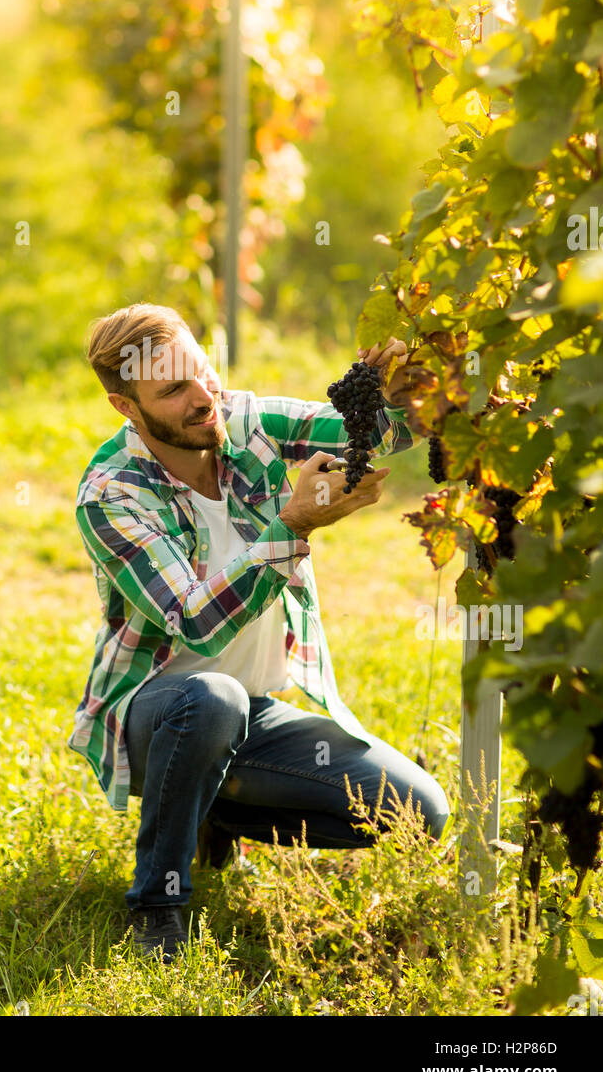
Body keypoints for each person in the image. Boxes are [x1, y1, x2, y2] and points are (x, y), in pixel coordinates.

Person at [68, 302, 451, 962]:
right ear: (125, 407)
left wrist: (430, 377)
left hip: (254, 714)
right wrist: (293, 525)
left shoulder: (242, 420)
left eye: (202, 373)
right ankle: (158, 903)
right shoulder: (111, 494)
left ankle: (208, 808)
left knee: (419, 811)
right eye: (173, 390)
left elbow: (366, 433)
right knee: (209, 699)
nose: (202, 398)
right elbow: (197, 622)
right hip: (158, 710)